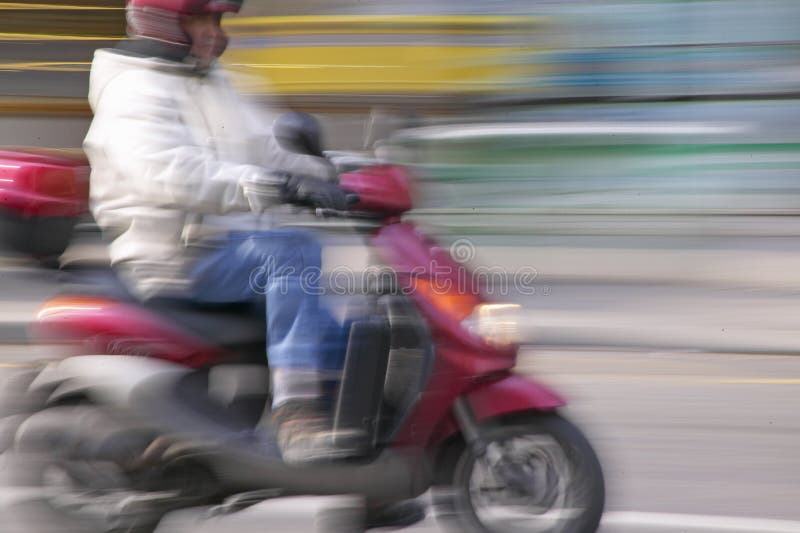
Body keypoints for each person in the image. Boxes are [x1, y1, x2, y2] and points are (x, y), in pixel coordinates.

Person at [84, 0, 356, 465]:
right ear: (164, 22)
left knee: (349, 329)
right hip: (176, 257)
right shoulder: (133, 90)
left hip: (230, 249)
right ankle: (296, 416)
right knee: (292, 254)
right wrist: (272, 185)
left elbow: (271, 150)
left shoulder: (216, 82)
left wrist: (337, 174)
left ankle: (359, 449)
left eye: (217, 20)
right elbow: (169, 173)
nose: (212, 32)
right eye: (199, 19)